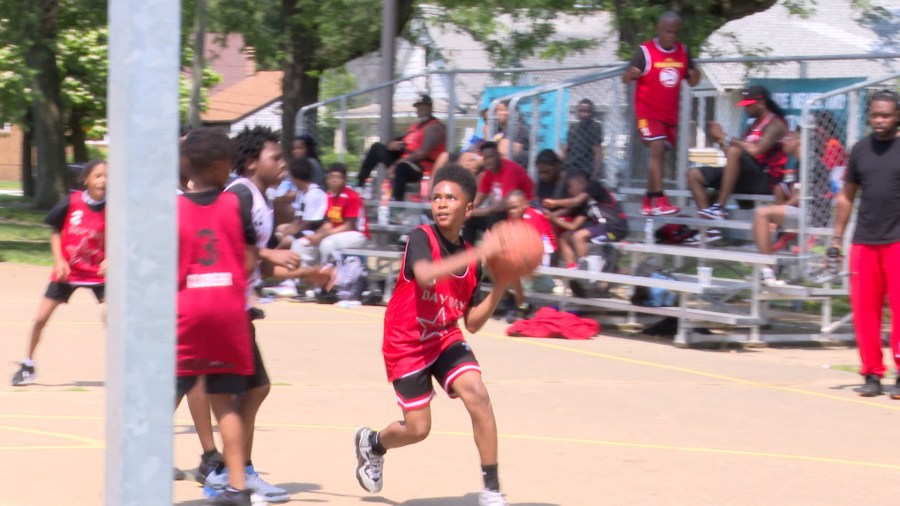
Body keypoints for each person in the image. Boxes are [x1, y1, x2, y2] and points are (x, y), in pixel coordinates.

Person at [353, 164, 510, 506]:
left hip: (444, 337)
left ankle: (492, 488)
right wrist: (481, 251)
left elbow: (472, 322)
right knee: (418, 429)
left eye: (451, 198)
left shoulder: (472, 262)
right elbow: (425, 275)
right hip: (406, 343)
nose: (441, 203)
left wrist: (500, 287)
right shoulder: (421, 237)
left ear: (468, 208)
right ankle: (374, 443)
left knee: (478, 395)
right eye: (436, 197)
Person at [199, 125, 329, 502]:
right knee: (233, 392)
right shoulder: (239, 194)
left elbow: (263, 268)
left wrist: (308, 273)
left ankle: (234, 469)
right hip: (222, 309)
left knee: (253, 388)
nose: (284, 164)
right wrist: (269, 254)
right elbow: (226, 246)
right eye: (276, 157)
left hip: (238, 309)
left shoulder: (261, 201)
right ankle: (229, 471)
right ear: (252, 161)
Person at [176, 128, 256, 506]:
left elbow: (171, 267)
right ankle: (238, 487)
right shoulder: (234, 205)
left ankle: (138, 481)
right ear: (226, 167)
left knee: (158, 401)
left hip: (189, 313)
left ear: (186, 165)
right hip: (229, 312)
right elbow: (249, 257)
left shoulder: (174, 210)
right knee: (225, 403)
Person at [11, 160, 108, 386]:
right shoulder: (72, 201)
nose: (104, 180)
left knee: (117, 319)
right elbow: (55, 231)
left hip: (99, 273)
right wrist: (59, 260)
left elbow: (125, 236)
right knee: (39, 319)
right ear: (86, 180)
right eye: (98, 176)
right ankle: (28, 365)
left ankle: (127, 368)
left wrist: (111, 258)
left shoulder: (114, 207)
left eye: (108, 176)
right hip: (68, 271)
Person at [831, 90, 900, 398]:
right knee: (865, 312)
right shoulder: (860, 150)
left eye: (885, 115)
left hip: (897, 240)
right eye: (874, 115)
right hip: (864, 241)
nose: (879, 120)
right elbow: (847, 196)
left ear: (897, 116)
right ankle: (871, 373)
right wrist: (836, 240)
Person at [622, 11, 700, 216]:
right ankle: (661, 200)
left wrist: (695, 74)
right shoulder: (645, 51)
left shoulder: (683, 51)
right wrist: (630, 75)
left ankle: (648, 200)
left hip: (669, 114)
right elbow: (625, 78)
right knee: (656, 149)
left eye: (675, 32)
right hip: (647, 112)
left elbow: (692, 81)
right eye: (667, 31)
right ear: (658, 28)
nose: (671, 36)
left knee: (659, 157)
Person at [688, 85, 788, 222]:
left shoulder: (776, 124)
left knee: (735, 151)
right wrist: (719, 139)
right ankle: (710, 228)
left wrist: (725, 136)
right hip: (744, 174)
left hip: (765, 177)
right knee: (693, 174)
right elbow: (732, 154)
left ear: (761, 103)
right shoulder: (752, 126)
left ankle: (719, 208)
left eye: (749, 105)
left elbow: (756, 150)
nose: (746, 108)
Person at [356, 94, 447, 201]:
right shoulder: (416, 127)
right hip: (405, 161)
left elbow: (423, 153)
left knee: (401, 167)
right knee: (377, 148)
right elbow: (397, 140)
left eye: (424, 106)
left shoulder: (435, 127)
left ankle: (397, 202)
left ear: (430, 108)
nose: (420, 109)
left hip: (420, 168)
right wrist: (392, 145)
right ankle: (360, 185)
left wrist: (396, 163)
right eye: (418, 107)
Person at [543, 173, 627, 269]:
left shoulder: (594, 186)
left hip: (614, 229)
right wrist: (554, 219)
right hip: (602, 230)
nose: (569, 191)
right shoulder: (586, 205)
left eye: (570, 186)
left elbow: (575, 201)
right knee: (564, 237)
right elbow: (573, 226)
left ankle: (585, 270)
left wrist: (555, 203)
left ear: (580, 182)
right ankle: (572, 269)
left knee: (579, 236)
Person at [293, 163, 369, 267]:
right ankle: (298, 278)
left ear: (344, 180)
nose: (334, 180)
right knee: (301, 243)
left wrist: (322, 236)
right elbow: (328, 224)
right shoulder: (329, 196)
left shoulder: (351, 196)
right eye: (331, 177)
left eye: (338, 177)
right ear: (327, 179)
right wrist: (315, 236)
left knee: (327, 244)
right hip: (335, 233)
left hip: (357, 234)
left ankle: (325, 278)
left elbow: (349, 226)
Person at [753, 131, 801, 285]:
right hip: (801, 211)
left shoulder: (810, 162)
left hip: (814, 215)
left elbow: (800, 196)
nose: (783, 141)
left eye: (788, 137)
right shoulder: (800, 163)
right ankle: (768, 270)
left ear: (798, 141)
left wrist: (778, 210)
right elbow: (796, 191)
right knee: (760, 219)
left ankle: (767, 270)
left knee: (762, 213)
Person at [463, 141, 534, 244]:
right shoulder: (488, 174)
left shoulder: (510, 170)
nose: (488, 161)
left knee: (493, 218)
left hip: (522, 211)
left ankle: (495, 256)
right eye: (485, 158)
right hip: (500, 212)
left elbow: (505, 205)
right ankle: (466, 255)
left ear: (498, 155)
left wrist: (482, 211)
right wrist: (466, 212)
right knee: (470, 220)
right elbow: (477, 201)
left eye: (491, 157)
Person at [504, 190, 556, 322]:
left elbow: (535, 246)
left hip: (541, 262)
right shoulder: (513, 218)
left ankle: (520, 305)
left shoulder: (533, 217)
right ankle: (513, 303)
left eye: (514, 207)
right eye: (509, 208)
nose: (511, 211)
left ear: (525, 205)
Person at [272, 134, 325, 225]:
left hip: (308, 207)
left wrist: (278, 198)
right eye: (294, 149)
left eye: (300, 148)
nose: (296, 151)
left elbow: (304, 190)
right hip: (297, 202)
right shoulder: (296, 165)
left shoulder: (311, 163)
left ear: (307, 149)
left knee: (275, 205)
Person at [561, 99, 603, 179]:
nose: (584, 114)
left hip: (586, 169)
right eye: (581, 111)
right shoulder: (573, 127)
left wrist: (596, 171)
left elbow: (597, 151)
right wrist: (562, 166)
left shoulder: (594, 127)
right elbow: (566, 149)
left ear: (592, 113)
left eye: (587, 111)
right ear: (577, 112)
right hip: (571, 167)